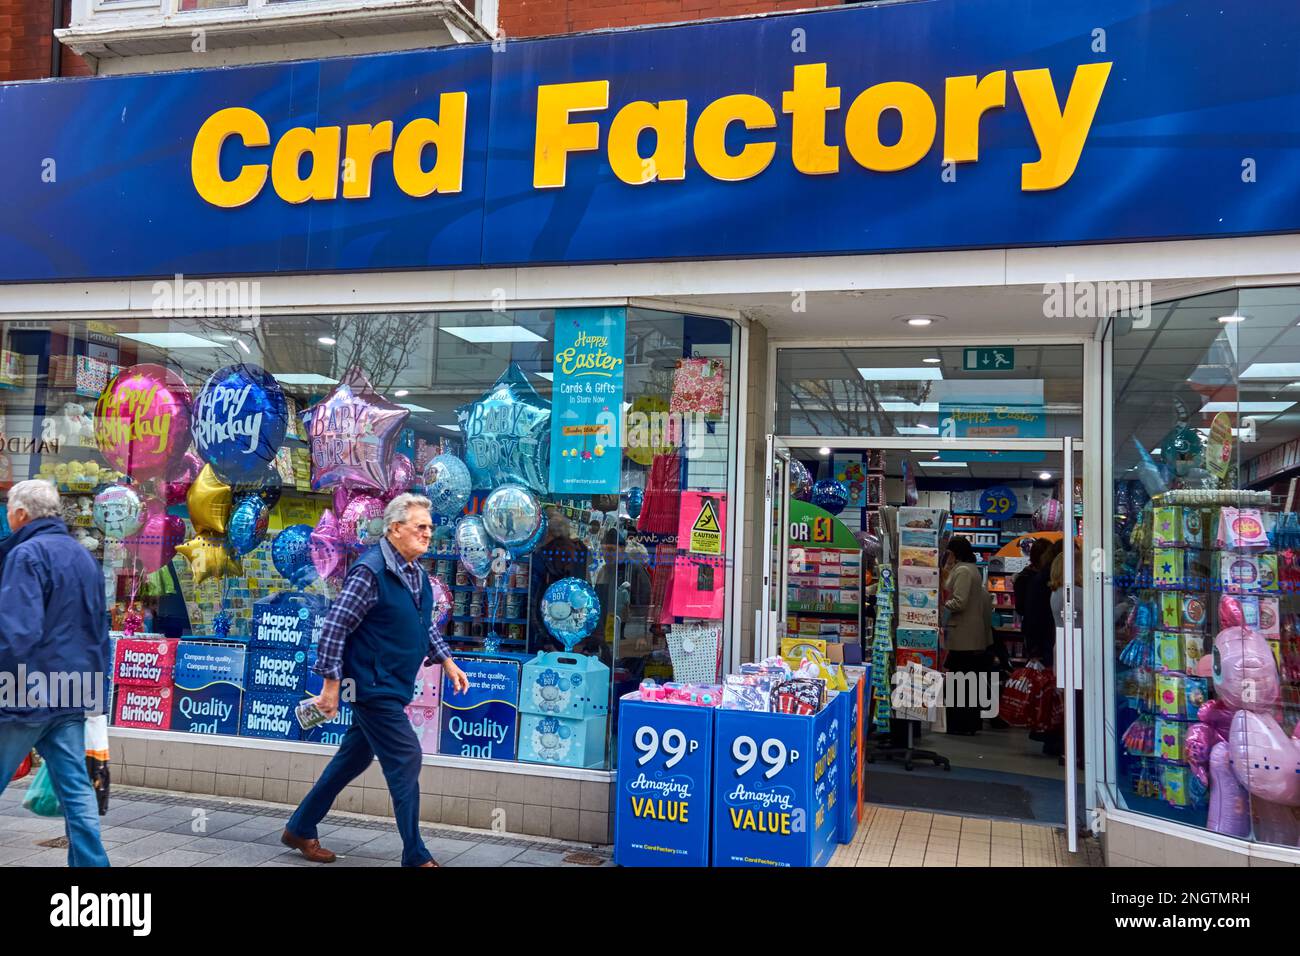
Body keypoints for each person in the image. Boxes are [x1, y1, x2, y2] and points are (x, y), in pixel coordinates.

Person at [283, 494, 471, 867]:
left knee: (352, 760)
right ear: (395, 528)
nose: (428, 534)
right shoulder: (370, 572)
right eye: (420, 526)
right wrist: (331, 685)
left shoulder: (417, 574)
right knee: (406, 757)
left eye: (430, 528)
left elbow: (423, 624)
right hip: (371, 686)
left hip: (390, 684)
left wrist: (447, 660)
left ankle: (300, 828)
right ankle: (415, 855)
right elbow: (336, 625)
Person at [0, 479, 111, 867]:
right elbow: (99, 630)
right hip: (73, 691)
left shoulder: (26, 554)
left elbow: (17, 632)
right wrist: (97, 693)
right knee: (77, 789)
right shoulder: (83, 556)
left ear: (20, 514)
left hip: (25, 692)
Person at [941, 536, 993, 736]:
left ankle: (961, 724)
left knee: (960, 680)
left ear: (954, 553)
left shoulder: (962, 570)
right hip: (971, 635)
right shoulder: (972, 569)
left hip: (963, 634)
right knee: (969, 680)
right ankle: (969, 723)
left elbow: (959, 601)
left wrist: (939, 605)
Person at [529, 508, 590, 654]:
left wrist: (543, 636)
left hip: (549, 623)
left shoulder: (543, 554)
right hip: (570, 622)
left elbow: (536, 597)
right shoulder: (577, 550)